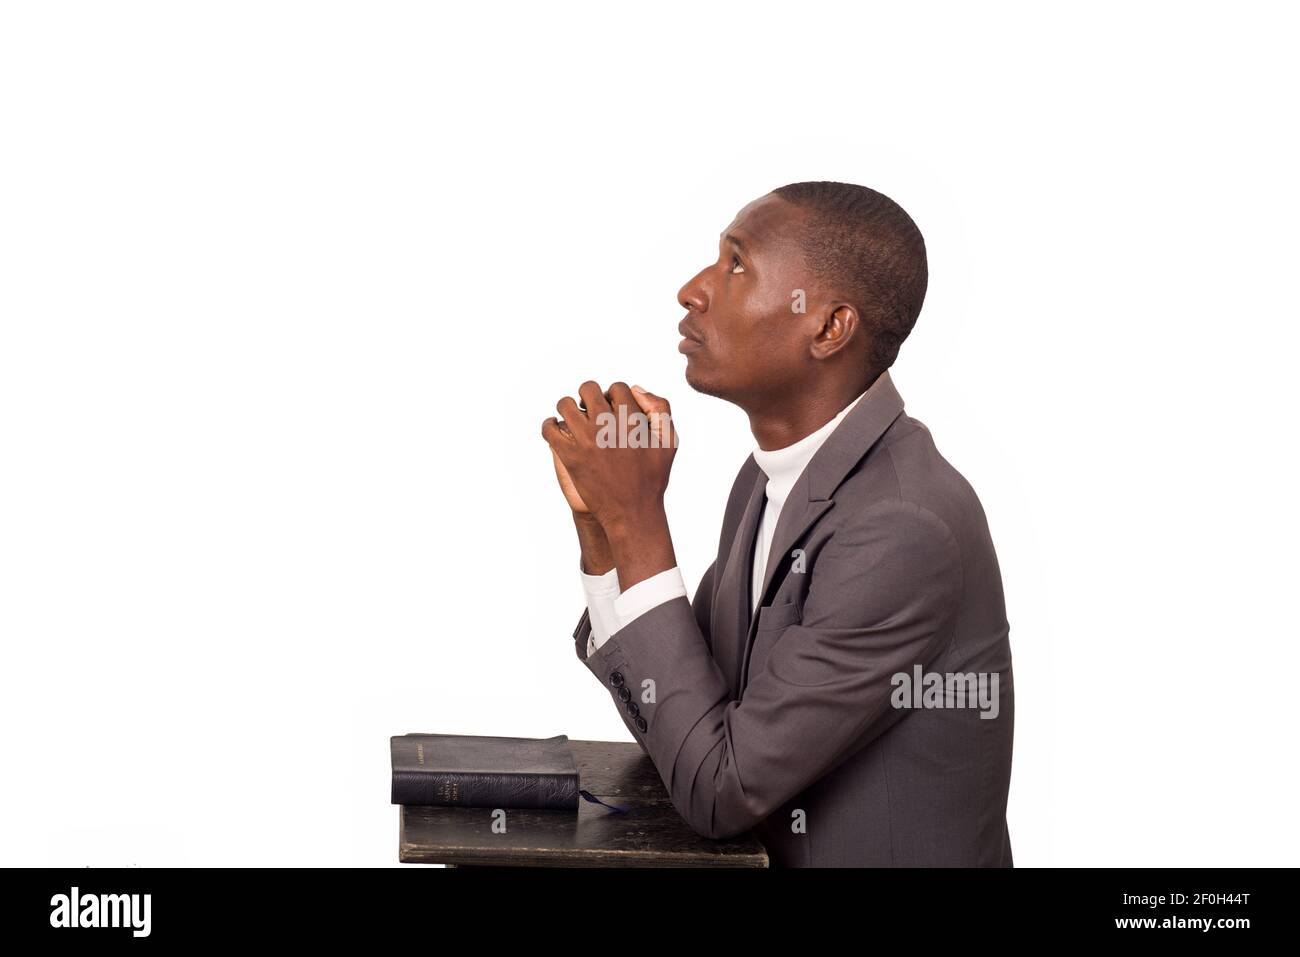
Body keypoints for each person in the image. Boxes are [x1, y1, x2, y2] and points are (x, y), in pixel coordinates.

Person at [541, 182, 1013, 867]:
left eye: (737, 265)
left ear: (828, 327)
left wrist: (637, 513)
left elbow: (718, 788)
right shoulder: (770, 478)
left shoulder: (903, 528)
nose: (692, 290)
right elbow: (688, 728)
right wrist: (604, 528)